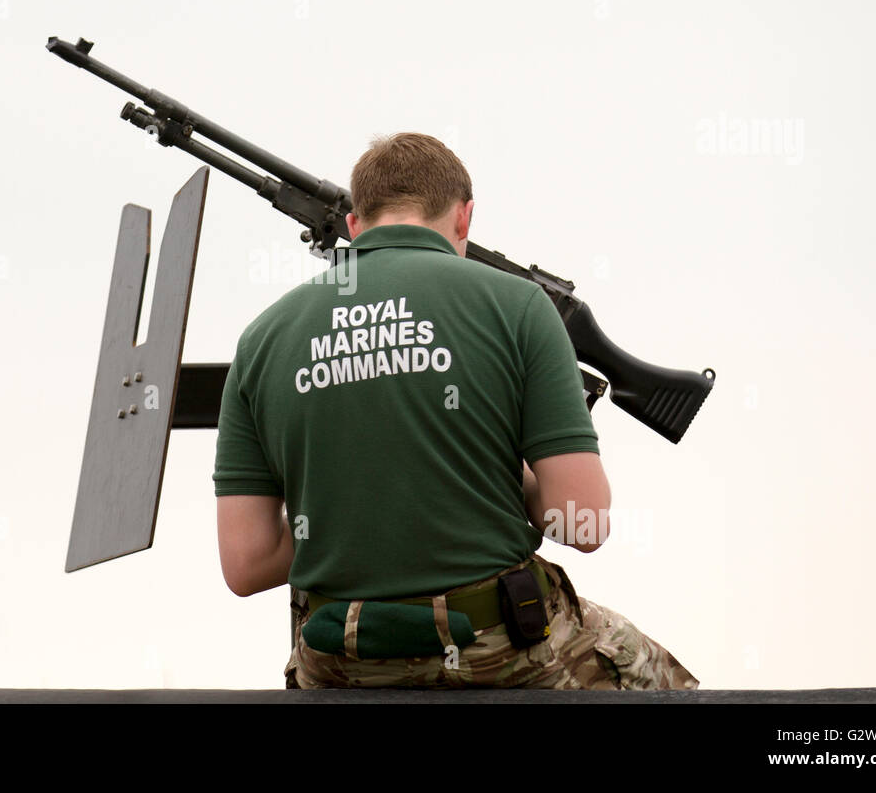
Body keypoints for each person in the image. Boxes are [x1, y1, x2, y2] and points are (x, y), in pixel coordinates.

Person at [212, 132, 697, 690]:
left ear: (352, 226)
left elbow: (246, 565)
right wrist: (493, 476)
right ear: (465, 220)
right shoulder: (519, 308)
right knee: (655, 679)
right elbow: (583, 523)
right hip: (496, 652)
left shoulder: (261, 340)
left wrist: (357, 505)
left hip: (343, 664)